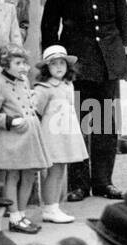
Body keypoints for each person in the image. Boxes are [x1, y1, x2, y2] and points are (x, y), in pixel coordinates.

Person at [39, 0, 127, 202]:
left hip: (107, 59)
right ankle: (78, 184)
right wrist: (55, 62)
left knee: (105, 123)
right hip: (77, 62)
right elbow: (48, 24)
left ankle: (103, 181)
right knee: (78, 122)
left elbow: (123, 18)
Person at [0, 46, 49, 234]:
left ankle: (23, 215)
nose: (24, 67)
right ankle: (15, 217)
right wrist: (10, 120)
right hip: (12, 137)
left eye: (25, 63)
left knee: (29, 176)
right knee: (13, 176)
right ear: (5, 64)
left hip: (30, 135)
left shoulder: (24, 79)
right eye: (18, 63)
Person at [32, 45, 86, 224]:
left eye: (62, 63)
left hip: (65, 134)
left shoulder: (68, 84)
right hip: (52, 136)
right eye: (53, 64)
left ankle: (54, 206)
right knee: (53, 172)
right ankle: (49, 208)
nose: (59, 67)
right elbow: (35, 112)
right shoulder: (44, 88)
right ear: (46, 68)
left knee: (60, 170)